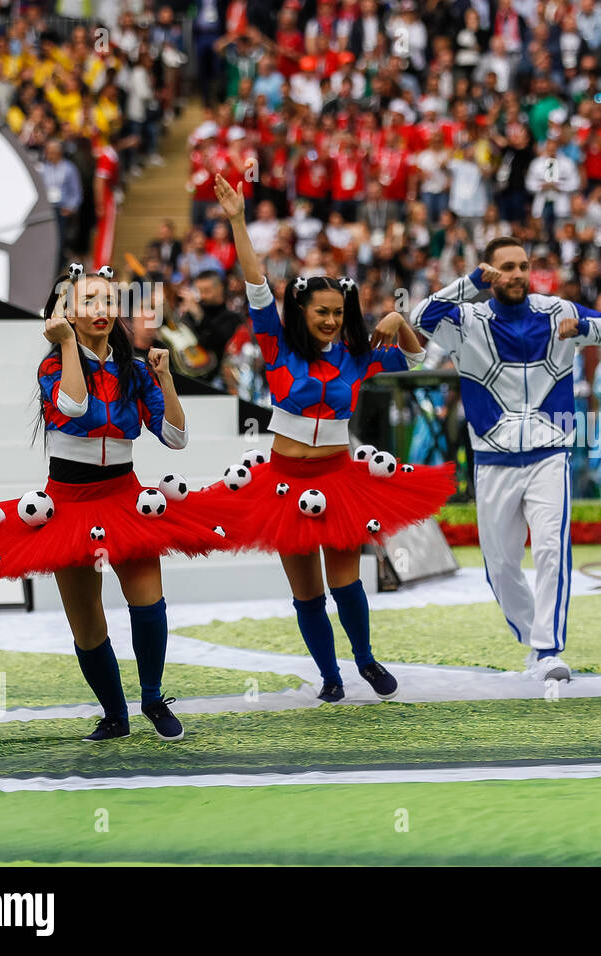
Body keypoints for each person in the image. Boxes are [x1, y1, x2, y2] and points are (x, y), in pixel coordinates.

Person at [0, 263, 225, 742]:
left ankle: (153, 698)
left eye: (109, 300)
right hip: (68, 504)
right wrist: (68, 343)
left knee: (149, 604)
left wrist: (166, 379)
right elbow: (72, 406)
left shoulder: (133, 371)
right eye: (87, 301)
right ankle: (115, 714)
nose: (101, 310)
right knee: (88, 623)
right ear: (66, 312)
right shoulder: (53, 365)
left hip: (125, 498)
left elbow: (175, 438)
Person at [208, 174, 455, 704]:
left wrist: (396, 318)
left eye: (338, 314)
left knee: (347, 582)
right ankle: (329, 676)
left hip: (338, 480)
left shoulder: (357, 355)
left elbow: (415, 357)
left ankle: (364, 659)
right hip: (283, 483)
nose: (330, 320)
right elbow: (256, 287)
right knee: (307, 592)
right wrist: (237, 221)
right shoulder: (277, 347)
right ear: (301, 312)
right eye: (321, 312)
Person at [410, 235, 601, 682]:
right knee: (500, 566)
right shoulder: (466, 320)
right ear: (488, 272)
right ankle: (533, 640)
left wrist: (587, 329)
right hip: (492, 462)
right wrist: (470, 282)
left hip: (549, 456)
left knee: (552, 549)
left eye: (521, 266)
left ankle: (548, 648)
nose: (515, 275)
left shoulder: (559, 311)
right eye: (504, 268)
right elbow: (421, 317)